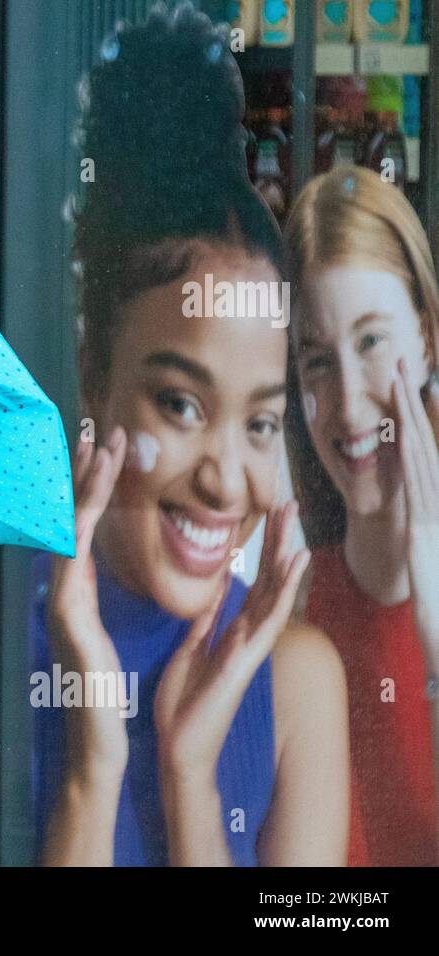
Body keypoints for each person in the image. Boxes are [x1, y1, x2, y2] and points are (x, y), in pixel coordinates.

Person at [31, 3, 348, 866]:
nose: (225, 480)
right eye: (180, 403)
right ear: (94, 373)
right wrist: (96, 770)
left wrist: (192, 774)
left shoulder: (298, 683)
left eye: (261, 422)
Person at [284, 165, 439, 865]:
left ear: (429, 340)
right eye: (317, 361)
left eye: (372, 342)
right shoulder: (290, 609)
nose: (348, 407)